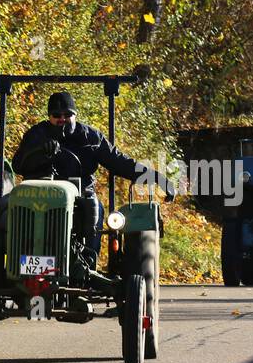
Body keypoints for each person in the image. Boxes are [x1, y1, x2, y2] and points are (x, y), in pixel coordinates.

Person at [12, 91, 175, 255]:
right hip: (39, 193)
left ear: (75, 115)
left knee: (92, 205)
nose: (62, 119)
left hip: (80, 194)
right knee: (6, 208)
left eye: (67, 114)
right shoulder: (36, 134)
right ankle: (16, 256)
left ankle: (89, 259)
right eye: (56, 115)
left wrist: (156, 177)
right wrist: (40, 153)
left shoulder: (90, 137)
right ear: (50, 117)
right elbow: (18, 165)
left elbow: (119, 162)